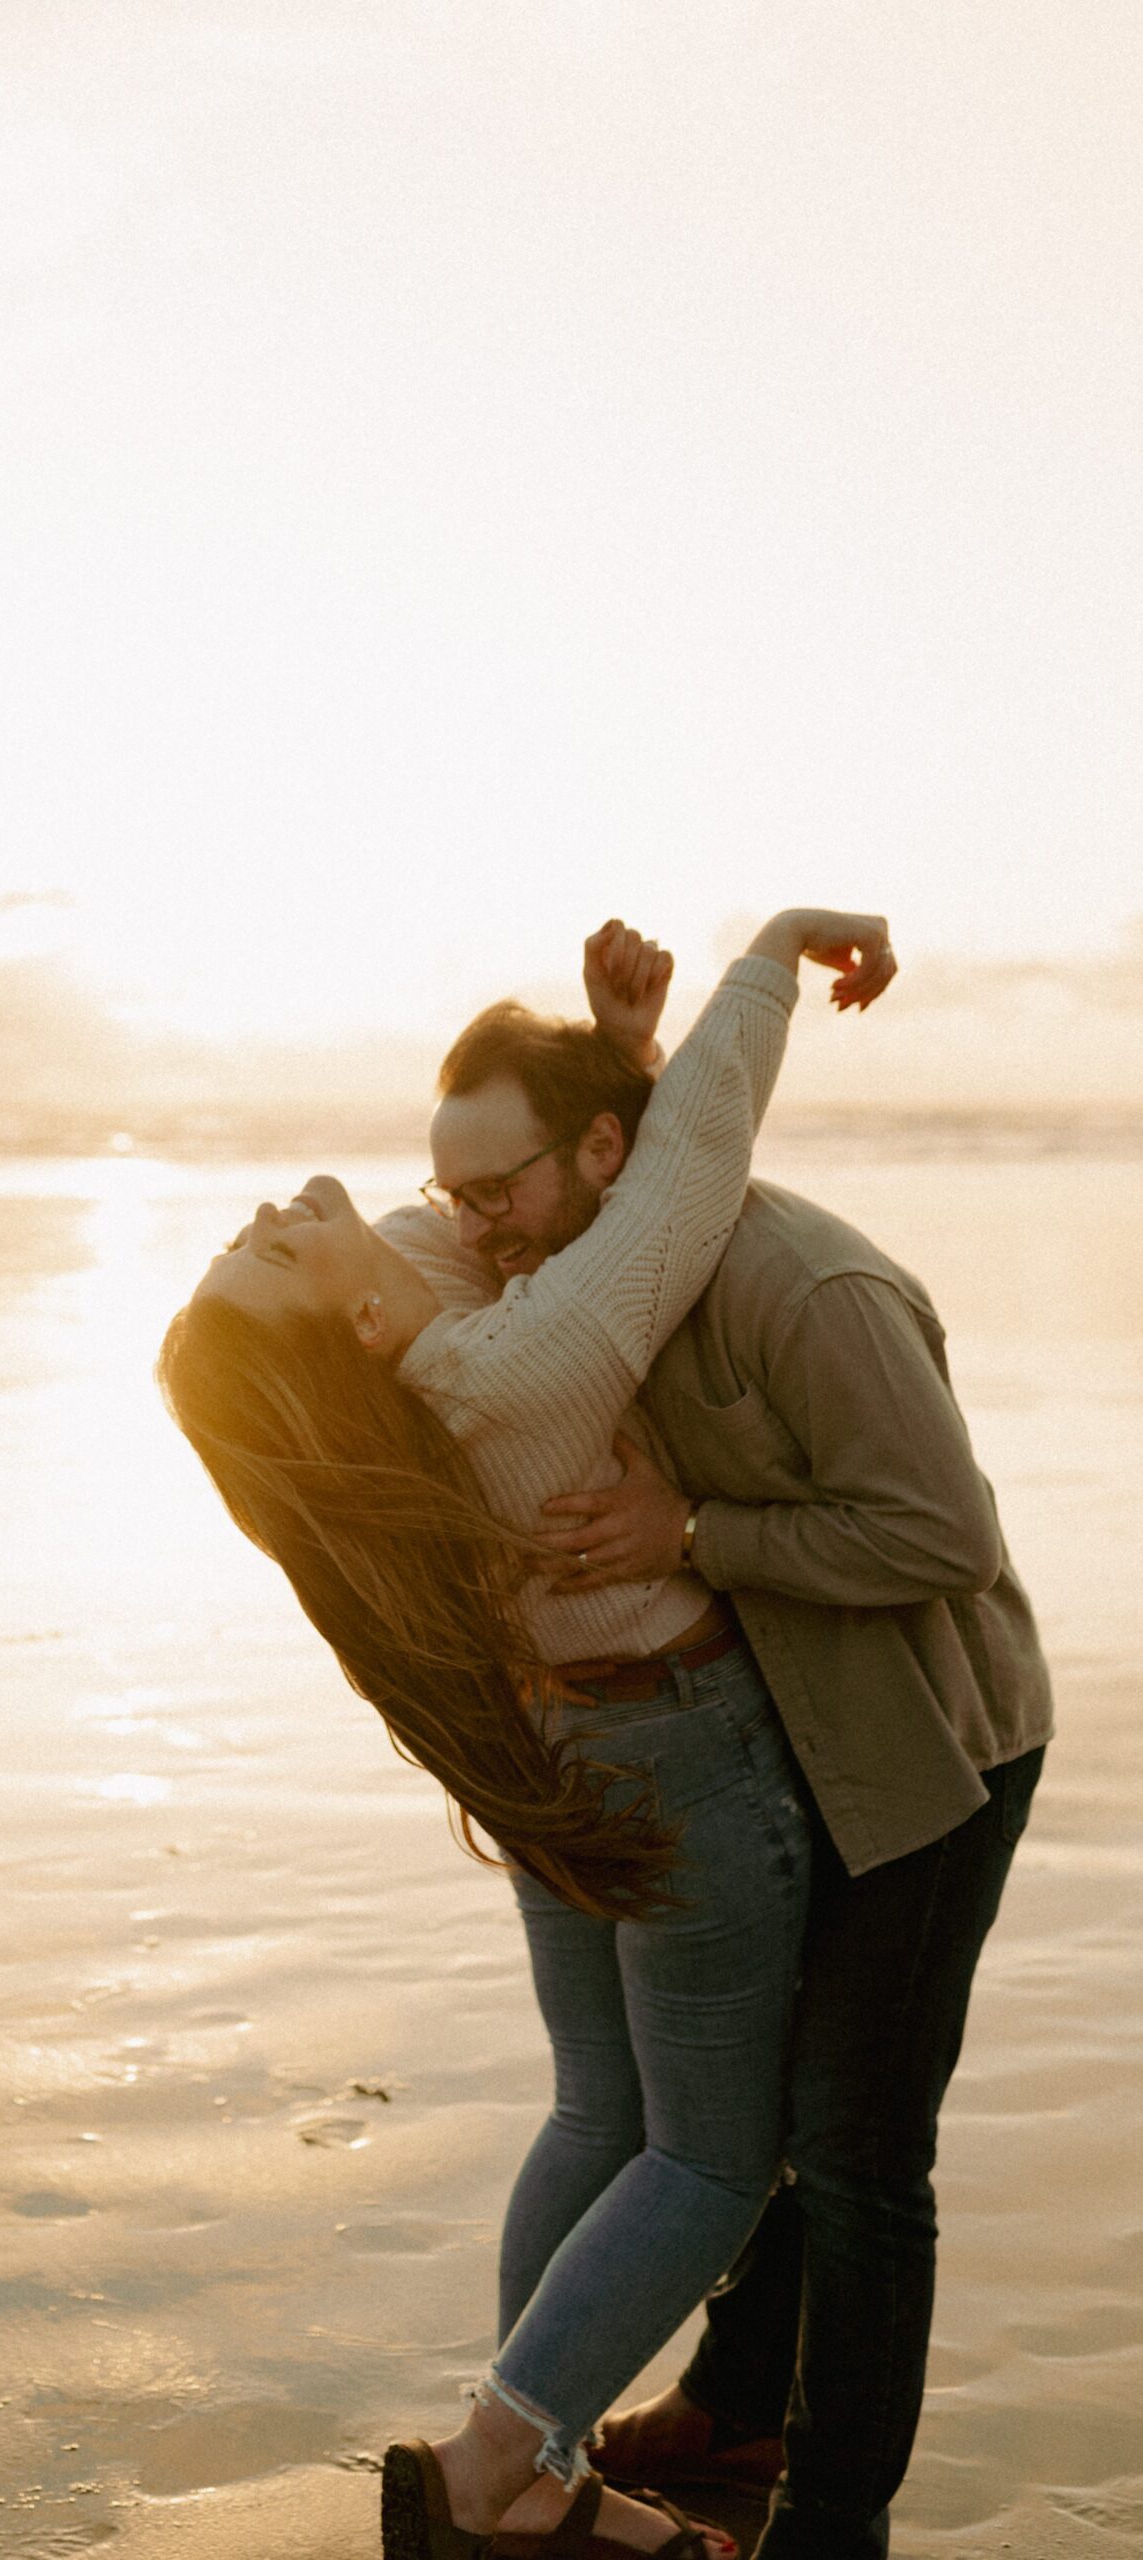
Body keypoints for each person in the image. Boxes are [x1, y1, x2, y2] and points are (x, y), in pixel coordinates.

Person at [158, 908, 897, 2560]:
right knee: (713, 2158)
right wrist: (773, 952)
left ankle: (541, 2476)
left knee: (597, 2115)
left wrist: (609, 1065)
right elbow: (687, 1176)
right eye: (264, 1258)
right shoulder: (523, 1370)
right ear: (346, 1333)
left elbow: (510, 1209)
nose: (274, 1216)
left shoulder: (410, 1347)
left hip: (556, 1745)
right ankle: (501, 2464)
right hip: (679, 1746)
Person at [388, 942, 1052, 2560]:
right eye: (448, 1194)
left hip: (926, 1750)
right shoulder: (590, 1276)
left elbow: (945, 1536)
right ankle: (734, 2403)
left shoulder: (806, 1289)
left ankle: (831, 2521)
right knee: (766, 2105)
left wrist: (693, 1530)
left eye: (496, 1191)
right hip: (775, 1728)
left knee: (856, 2148)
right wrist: (628, 1059)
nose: (470, 1230)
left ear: (599, 1157)